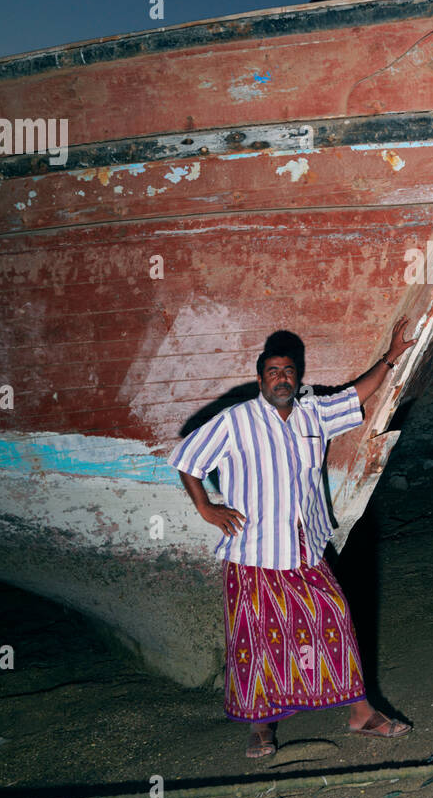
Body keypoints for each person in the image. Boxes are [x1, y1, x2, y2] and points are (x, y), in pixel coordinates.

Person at [168, 320, 416, 759]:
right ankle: (260, 728)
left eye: (288, 371)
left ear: (297, 376)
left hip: (303, 548)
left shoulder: (313, 414)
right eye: (273, 371)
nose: (281, 378)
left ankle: (360, 714)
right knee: (255, 640)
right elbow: (186, 458)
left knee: (335, 618)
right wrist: (207, 508)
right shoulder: (236, 421)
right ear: (260, 377)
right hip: (252, 553)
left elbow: (358, 394)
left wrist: (392, 355)